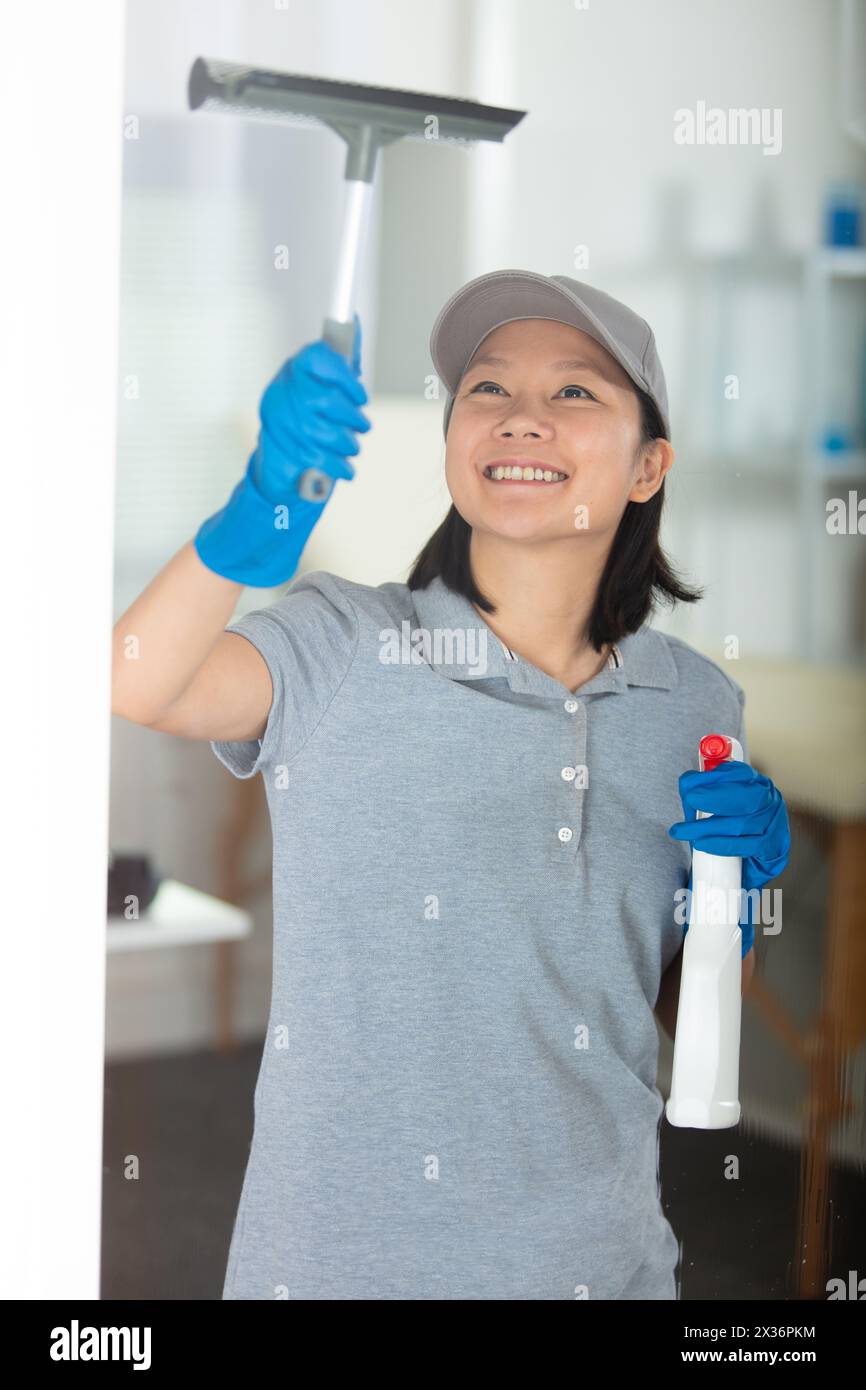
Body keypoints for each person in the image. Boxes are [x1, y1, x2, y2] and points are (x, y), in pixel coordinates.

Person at [111, 269, 790, 1300]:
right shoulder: (339, 644)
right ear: (451, 442)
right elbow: (139, 682)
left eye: (573, 393)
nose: (521, 418)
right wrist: (253, 511)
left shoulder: (693, 707)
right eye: (486, 390)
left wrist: (728, 915)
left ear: (648, 465)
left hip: (600, 1266)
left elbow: (659, 1005)